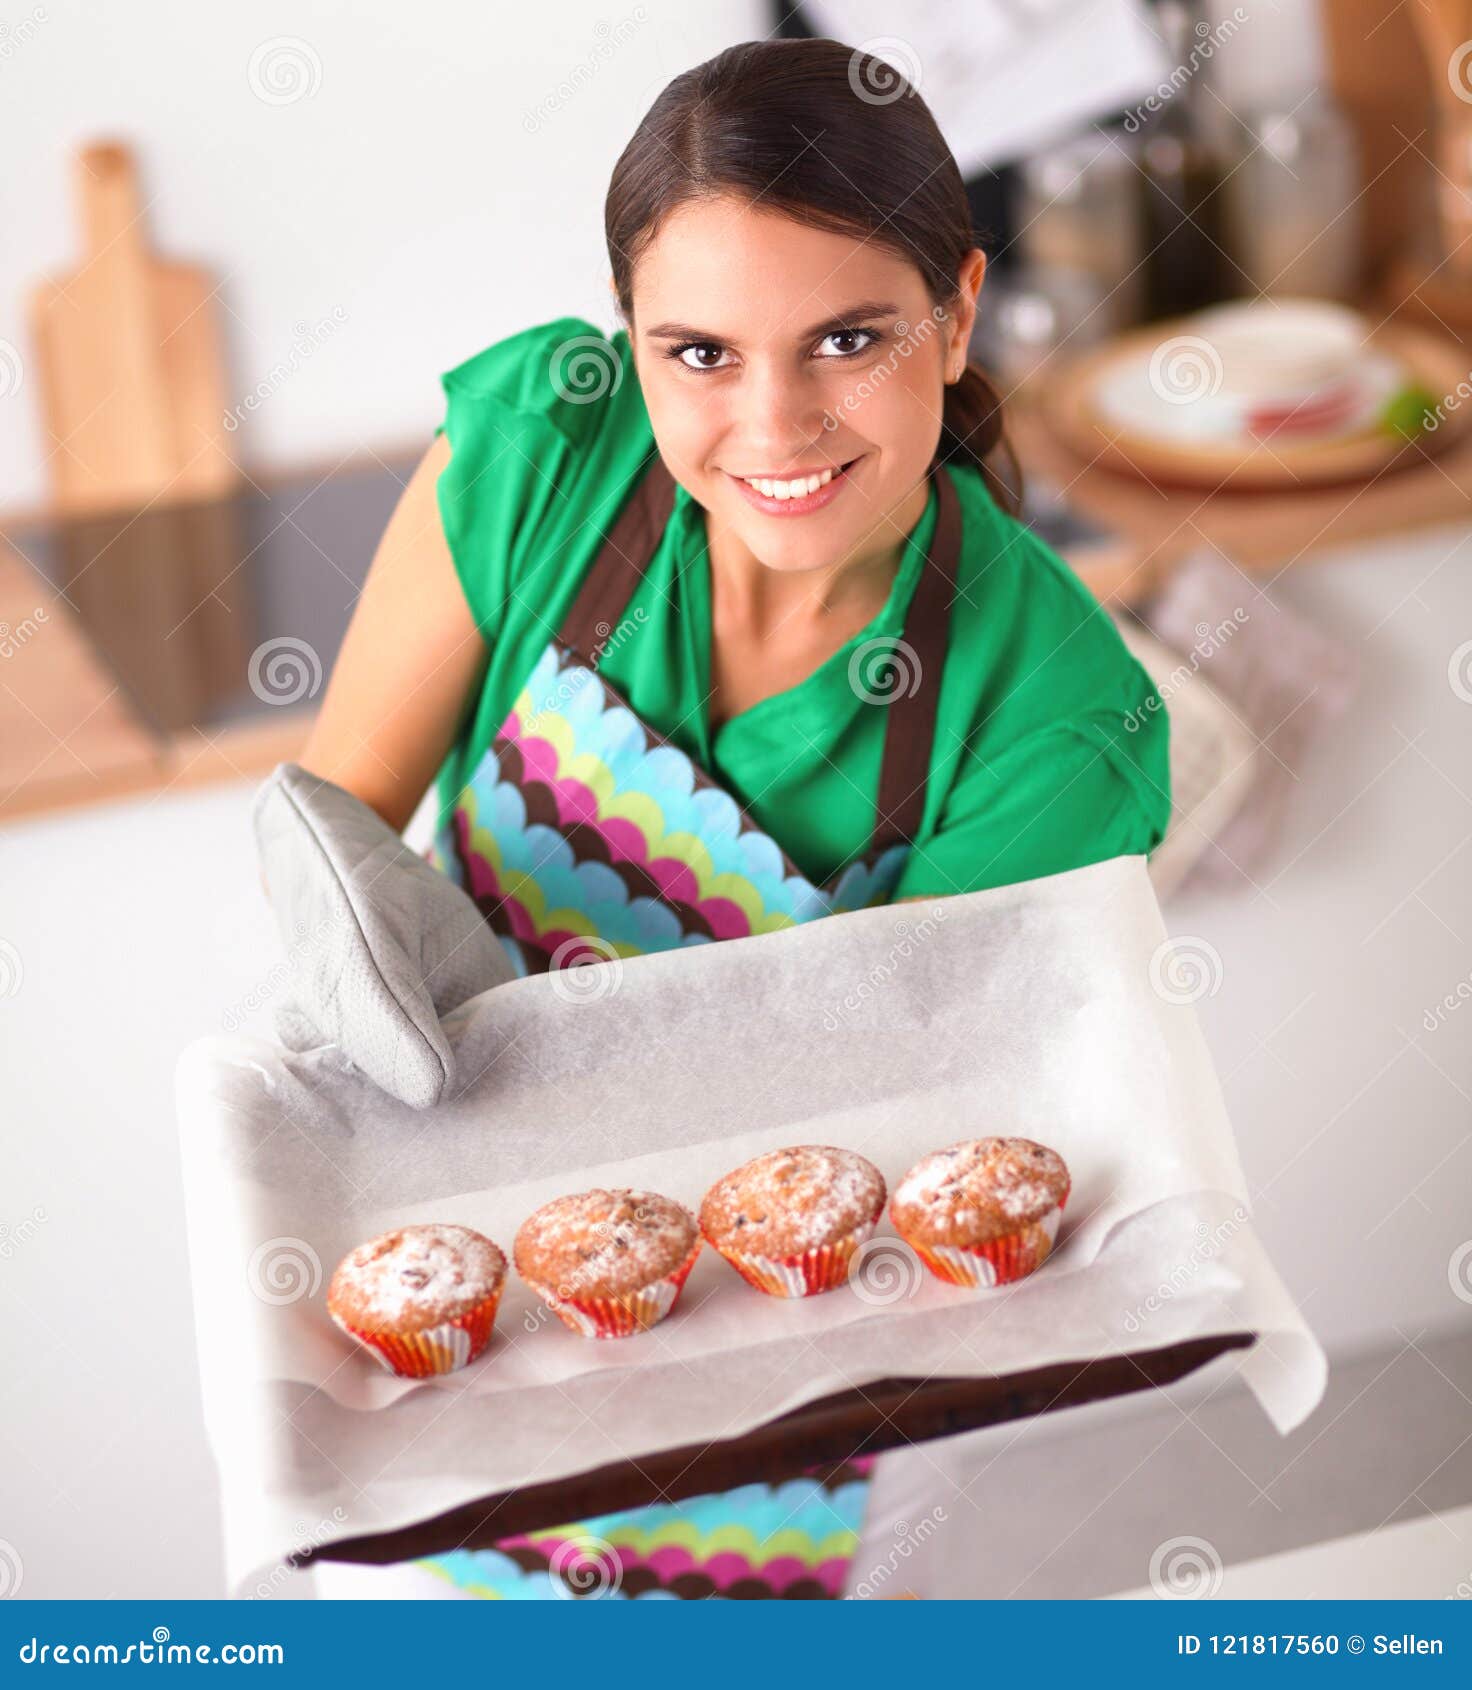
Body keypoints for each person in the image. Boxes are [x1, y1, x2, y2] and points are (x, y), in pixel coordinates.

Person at [303, 36, 1170, 1601]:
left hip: (786, 1387)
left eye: (848, 338)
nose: (772, 427)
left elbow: (914, 1143)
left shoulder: (1054, 716)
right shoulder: (537, 455)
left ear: (958, 311)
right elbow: (334, 853)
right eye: (697, 352)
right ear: (627, 344)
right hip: (446, 1322)